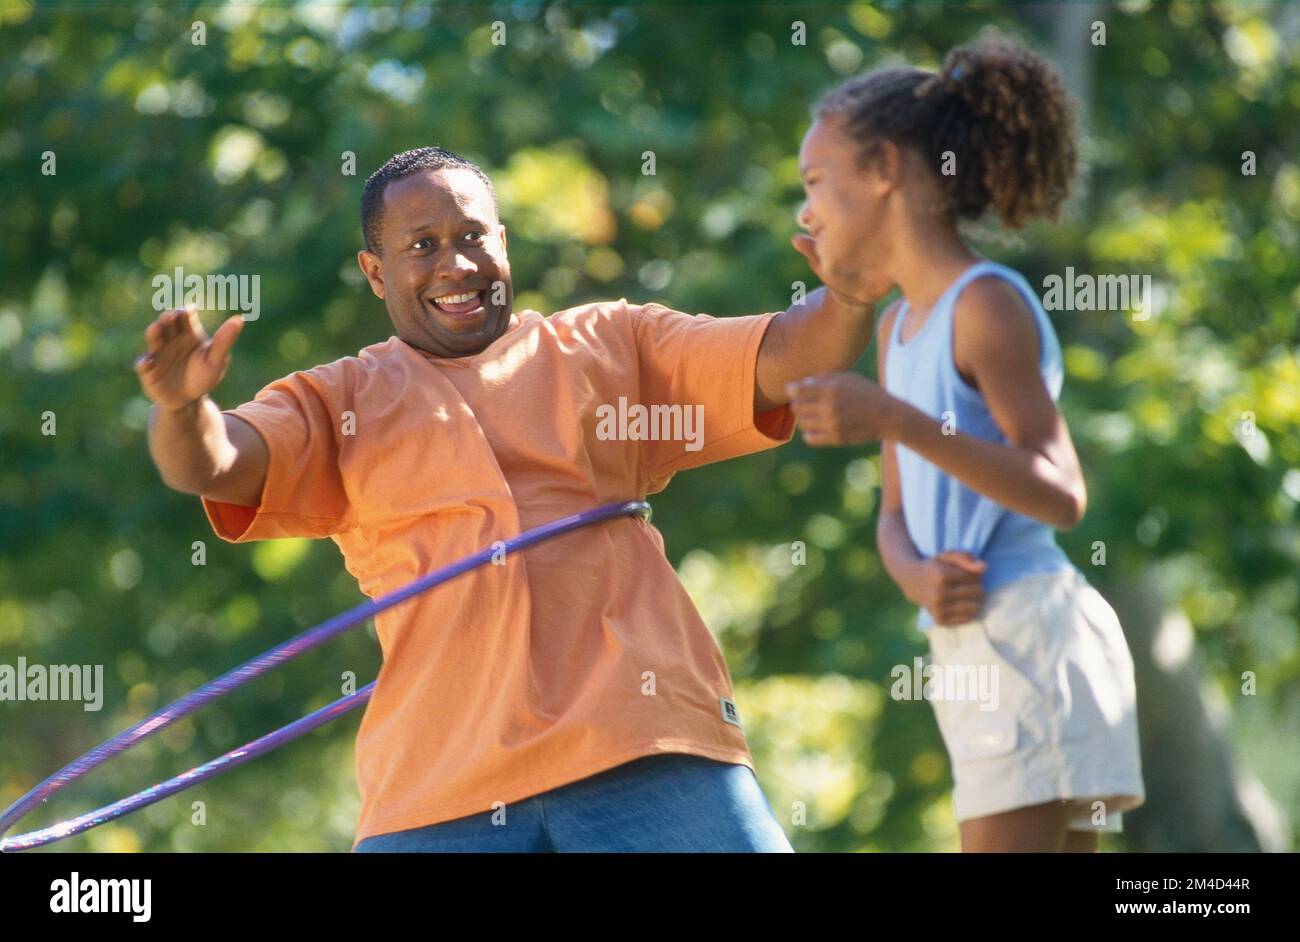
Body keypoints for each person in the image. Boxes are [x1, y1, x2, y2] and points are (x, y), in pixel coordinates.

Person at [134, 146, 879, 852]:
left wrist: (848, 293)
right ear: (374, 271)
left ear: (505, 244)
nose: (455, 264)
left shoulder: (610, 343)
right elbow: (215, 462)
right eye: (421, 245)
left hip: (641, 739)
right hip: (437, 781)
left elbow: (785, 354)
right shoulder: (338, 400)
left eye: (472, 237)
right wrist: (180, 408)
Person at [785, 33, 1145, 852]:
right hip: (968, 646)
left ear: (882, 168)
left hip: (1031, 638)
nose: (805, 212)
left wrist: (897, 420)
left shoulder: (987, 305)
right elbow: (896, 517)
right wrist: (916, 576)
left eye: (815, 181)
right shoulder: (896, 331)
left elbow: (1060, 490)